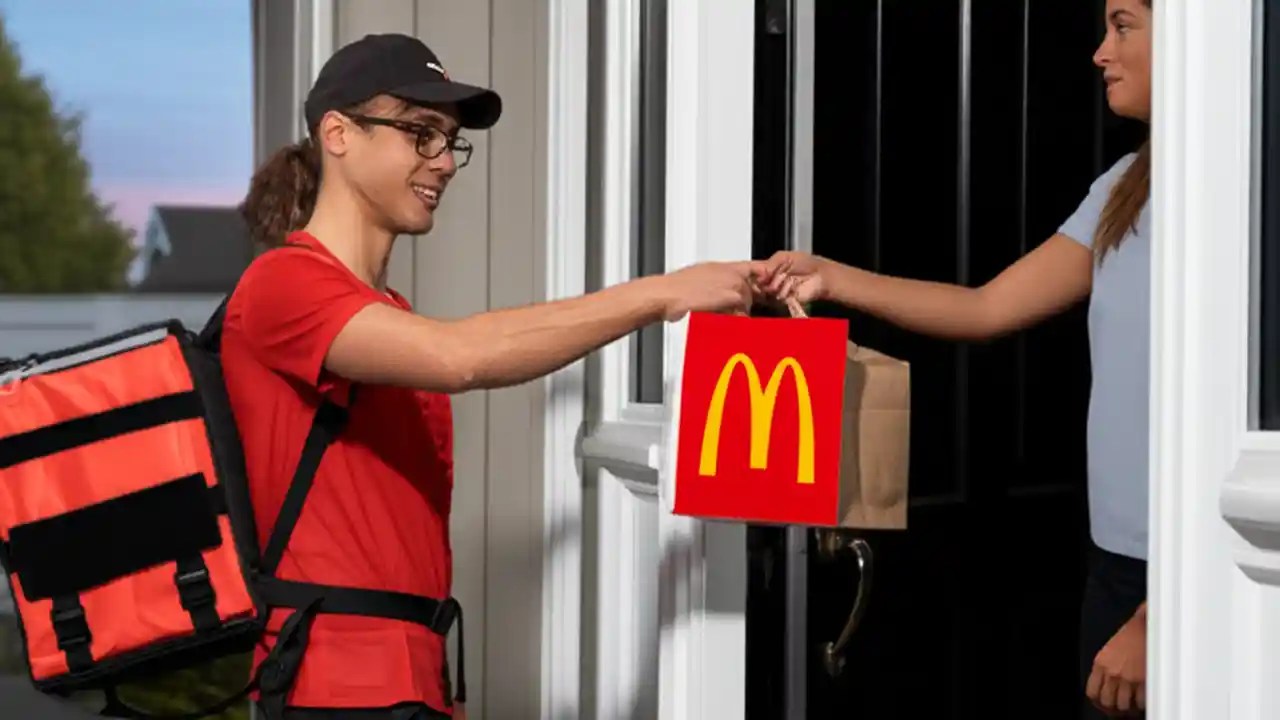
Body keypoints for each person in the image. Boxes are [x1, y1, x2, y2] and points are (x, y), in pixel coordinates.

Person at [225, 33, 758, 720]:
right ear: (338, 134)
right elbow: (460, 357)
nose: (445, 161)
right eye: (421, 133)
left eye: (451, 141)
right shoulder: (284, 284)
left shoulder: (383, 310)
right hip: (334, 685)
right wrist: (661, 294)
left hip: (405, 679)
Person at [755, 1, 1152, 717]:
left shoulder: (1243, 199)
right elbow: (986, 308)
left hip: (1187, 578)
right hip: (1117, 568)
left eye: (1123, 26)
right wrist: (830, 278)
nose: (1100, 51)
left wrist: (1162, 613)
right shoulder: (1126, 186)